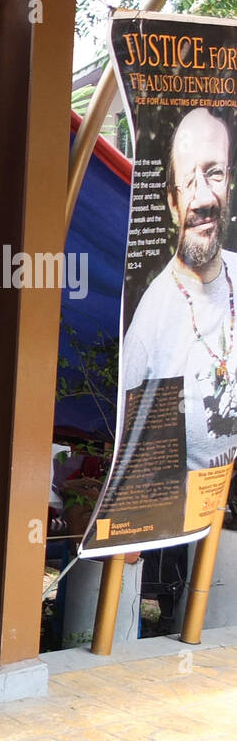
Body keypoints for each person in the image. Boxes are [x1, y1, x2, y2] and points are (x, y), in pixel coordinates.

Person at [122, 107, 237, 471]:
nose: (203, 199)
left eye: (214, 173)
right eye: (189, 182)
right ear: (172, 203)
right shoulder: (150, 325)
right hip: (189, 523)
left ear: (229, 184)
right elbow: (142, 462)